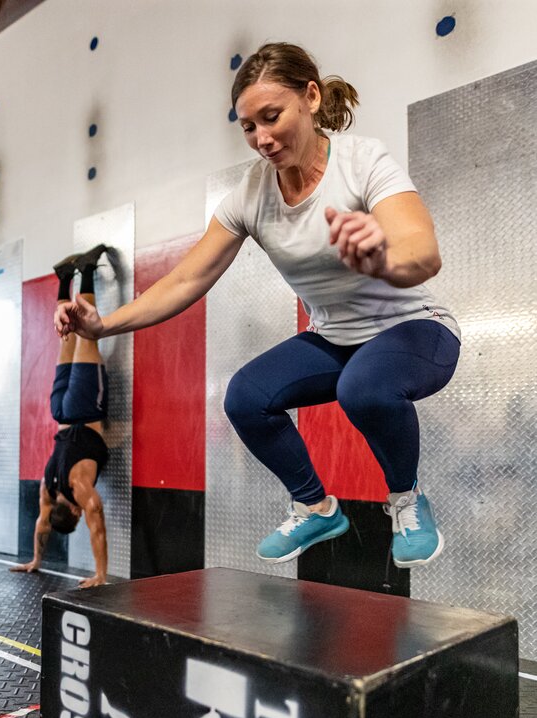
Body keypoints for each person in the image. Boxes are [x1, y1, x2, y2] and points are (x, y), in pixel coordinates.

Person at [56, 42, 460, 569]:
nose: (262, 139)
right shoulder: (250, 195)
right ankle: (316, 507)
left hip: (414, 330)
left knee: (361, 387)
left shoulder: (362, 162)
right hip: (337, 338)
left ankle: (407, 502)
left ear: (310, 97)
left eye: (272, 117)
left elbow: (424, 255)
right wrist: (103, 325)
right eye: (248, 127)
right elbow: (186, 278)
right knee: (246, 397)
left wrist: (382, 257)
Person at [11, 246, 111, 588]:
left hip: (84, 408)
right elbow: (41, 524)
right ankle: (65, 277)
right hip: (61, 413)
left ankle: (85, 271)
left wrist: (100, 574)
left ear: (74, 511)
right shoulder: (48, 490)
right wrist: (35, 559)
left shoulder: (79, 488)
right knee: (65, 338)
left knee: (85, 331)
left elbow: (96, 521)